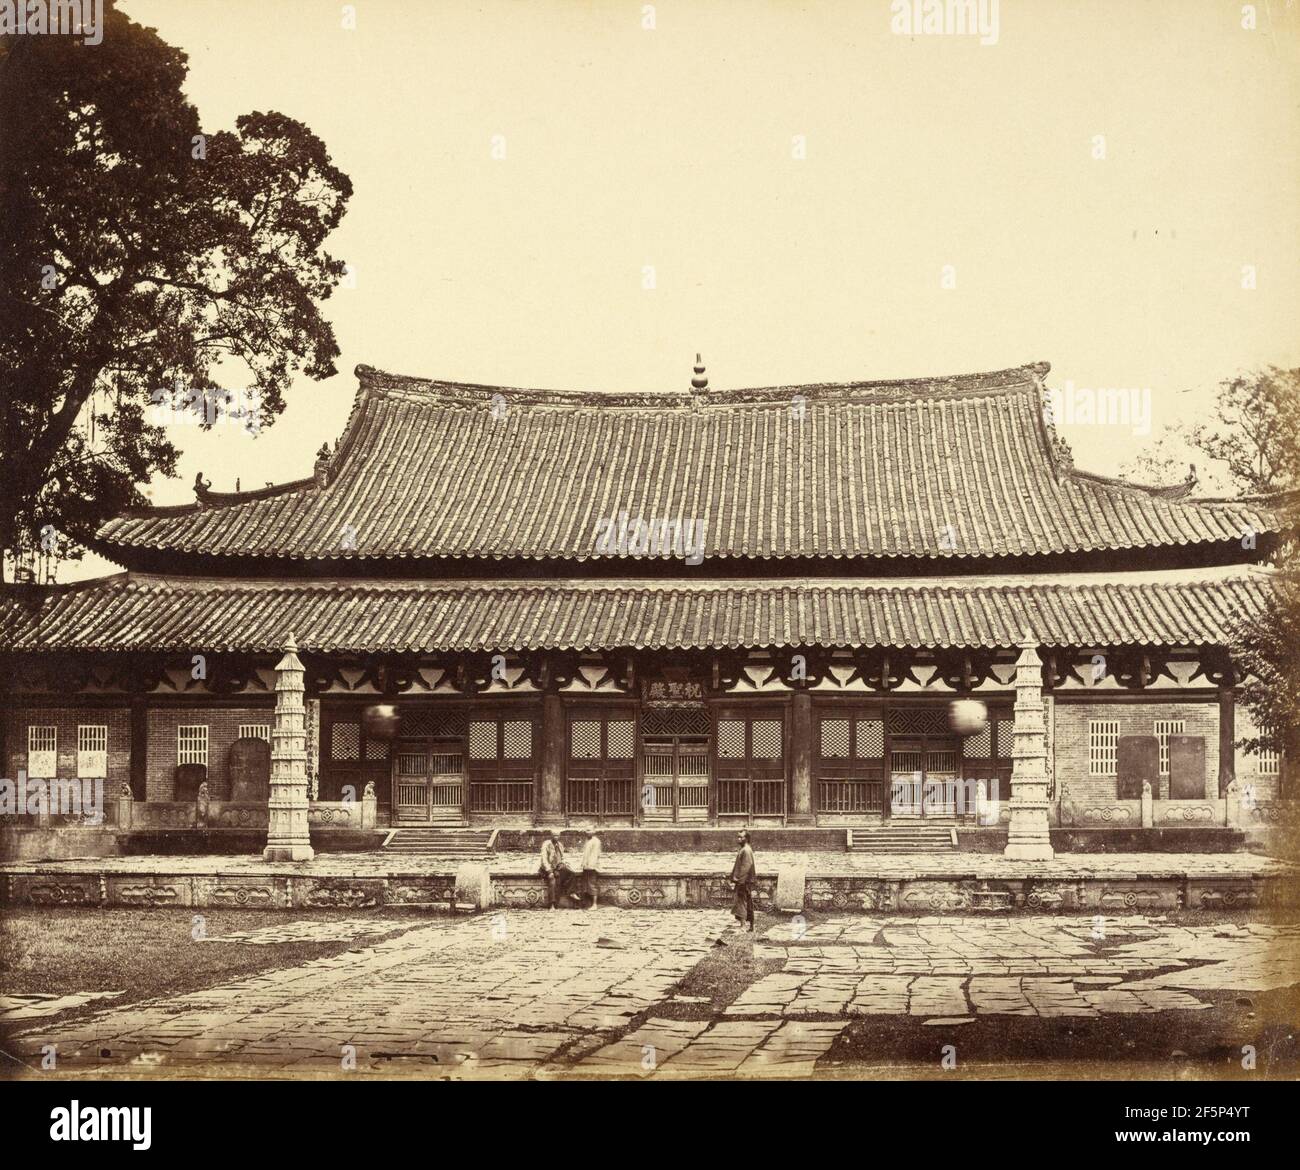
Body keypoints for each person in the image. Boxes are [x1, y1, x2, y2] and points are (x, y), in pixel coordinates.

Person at [729, 830, 756, 932]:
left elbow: (746, 867)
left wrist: (741, 882)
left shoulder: (746, 850)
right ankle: (751, 926)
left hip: (743, 881)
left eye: (741, 837)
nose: (738, 839)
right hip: (744, 881)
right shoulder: (744, 849)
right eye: (738, 837)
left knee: (742, 903)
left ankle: (743, 926)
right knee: (747, 902)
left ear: (747, 839)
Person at [539, 829, 566, 909]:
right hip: (546, 868)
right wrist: (549, 871)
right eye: (554, 835)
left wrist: (561, 864)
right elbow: (544, 859)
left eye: (557, 835)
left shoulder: (560, 845)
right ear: (551, 835)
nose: (556, 837)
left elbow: (562, 857)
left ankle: (572, 893)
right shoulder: (546, 844)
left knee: (570, 873)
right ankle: (552, 904)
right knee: (553, 881)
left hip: (556, 868)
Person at [579, 828, 603, 909]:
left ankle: (594, 904)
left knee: (591, 884)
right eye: (586, 831)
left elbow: (594, 855)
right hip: (587, 866)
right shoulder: (589, 840)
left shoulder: (595, 841)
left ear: (593, 832)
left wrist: (589, 865)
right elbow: (586, 854)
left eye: (589, 831)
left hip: (591, 866)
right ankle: (587, 903)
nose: (587, 833)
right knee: (586, 884)